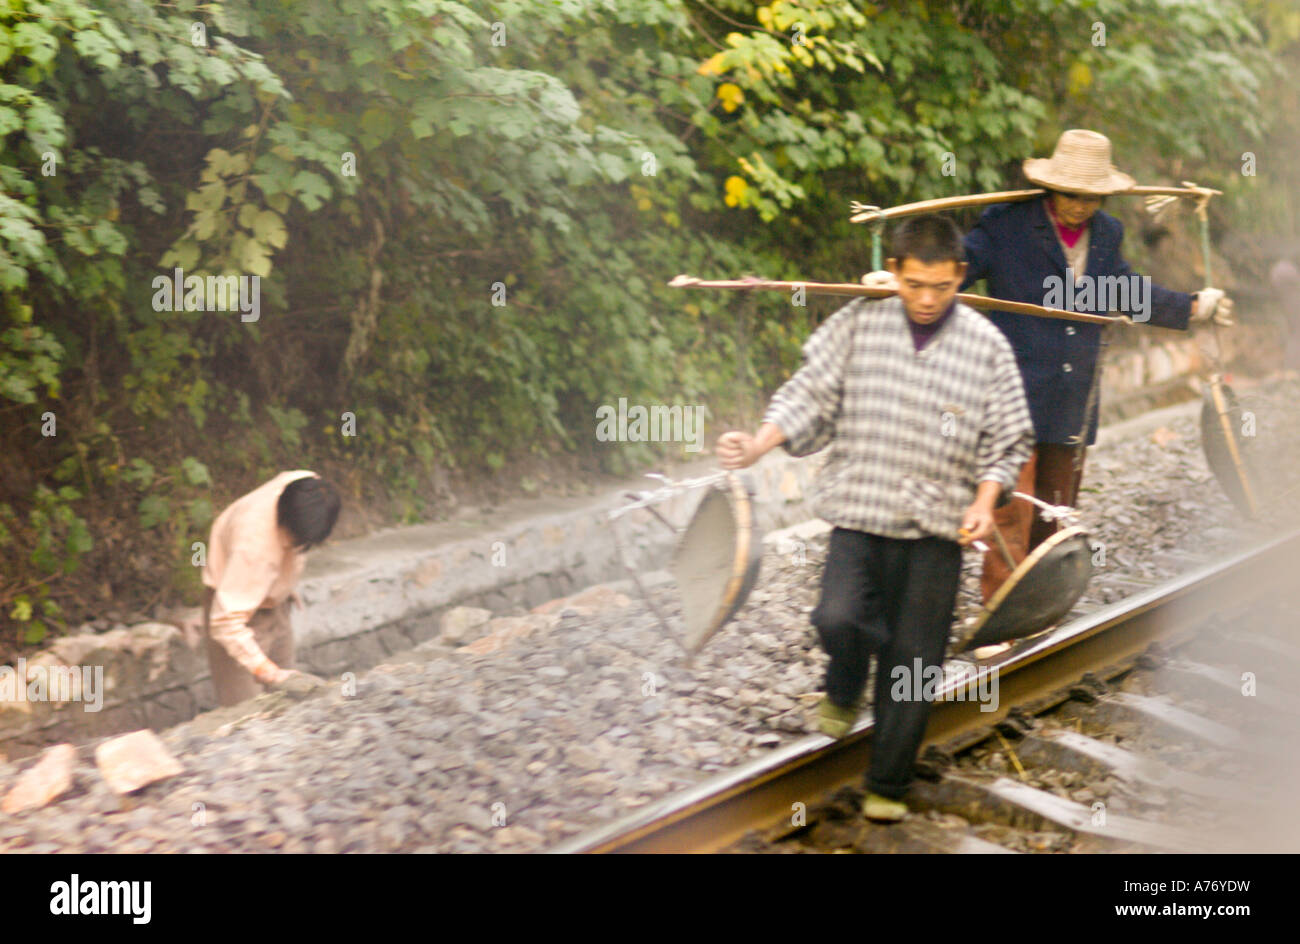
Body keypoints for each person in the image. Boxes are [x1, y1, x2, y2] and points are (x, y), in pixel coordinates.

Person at [716, 215, 1033, 821]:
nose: (926, 299)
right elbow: (809, 394)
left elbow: (1009, 438)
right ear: (895, 273)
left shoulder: (985, 346)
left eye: (940, 286)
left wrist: (983, 500)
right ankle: (843, 678)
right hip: (860, 516)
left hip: (936, 530)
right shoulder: (859, 324)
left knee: (914, 666)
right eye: (914, 284)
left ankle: (887, 784)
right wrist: (759, 445)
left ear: (960, 277)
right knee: (839, 618)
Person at [866, 130, 1235, 604]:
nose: (1079, 206)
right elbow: (959, 262)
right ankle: (999, 604)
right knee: (1009, 505)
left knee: (1055, 509)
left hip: (1072, 394)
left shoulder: (1106, 234)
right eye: (1070, 195)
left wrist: (1191, 307)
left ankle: (1037, 606)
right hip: (1011, 391)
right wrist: (897, 280)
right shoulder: (1007, 225)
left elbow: (1123, 291)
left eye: (1091, 198)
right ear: (1051, 188)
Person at [202, 470, 340, 705]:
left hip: (276, 602)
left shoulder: (307, 487)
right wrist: (268, 672)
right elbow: (226, 621)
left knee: (290, 701)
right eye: (296, 542)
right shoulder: (253, 547)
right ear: (284, 520)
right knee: (247, 715)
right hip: (237, 618)